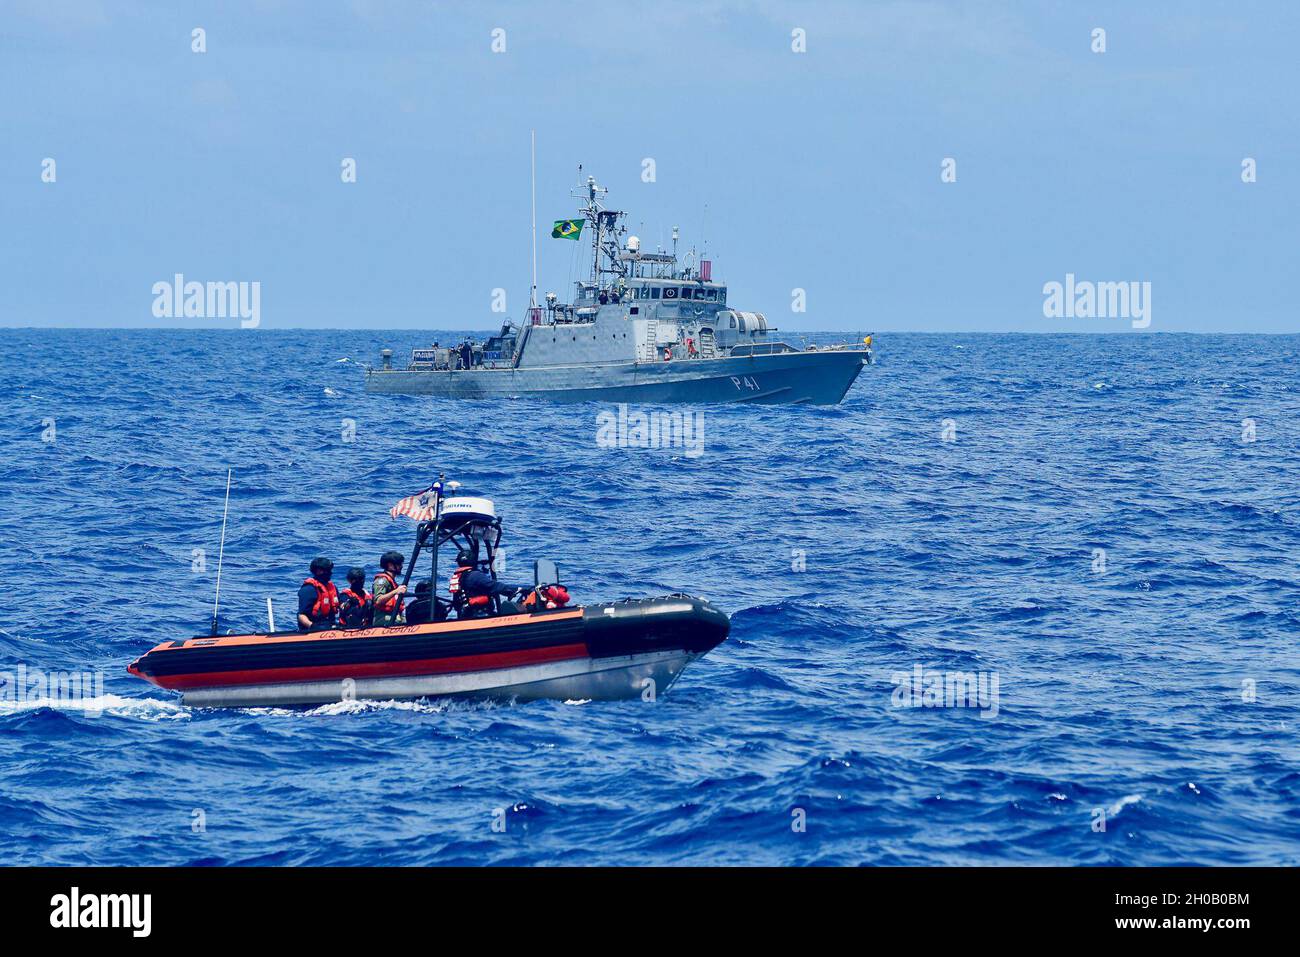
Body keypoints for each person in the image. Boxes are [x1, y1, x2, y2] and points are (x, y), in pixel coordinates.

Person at [449, 549, 521, 618]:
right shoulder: (475, 575)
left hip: (465, 615)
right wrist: (513, 590)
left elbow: (456, 603)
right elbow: (494, 586)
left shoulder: (457, 578)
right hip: (480, 615)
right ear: (473, 561)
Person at [298, 557, 339, 631]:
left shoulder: (332, 587)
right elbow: (301, 615)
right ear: (318, 571)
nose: (330, 573)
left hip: (330, 625)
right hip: (313, 627)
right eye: (328, 570)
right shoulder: (309, 589)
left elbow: (339, 605)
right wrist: (312, 626)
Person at [372, 551, 408, 627]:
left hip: (395, 621)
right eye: (399, 564)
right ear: (390, 565)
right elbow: (378, 600)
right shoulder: (381, 580)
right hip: (384, 622)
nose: (401, 566)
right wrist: (396, 591)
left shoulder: (393, 582)